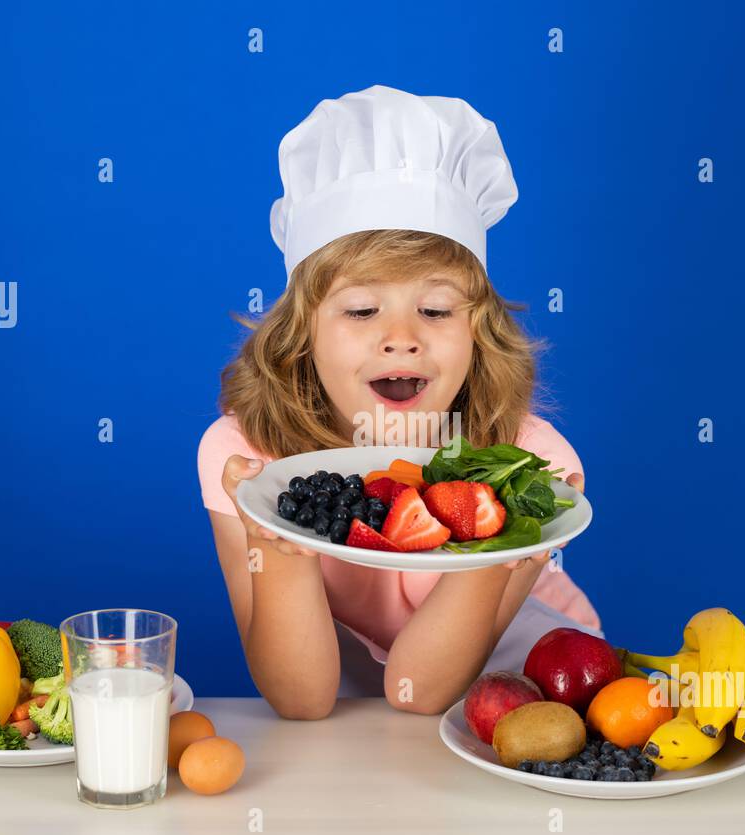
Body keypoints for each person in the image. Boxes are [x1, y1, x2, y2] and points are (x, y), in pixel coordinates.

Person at [197, 85, 602, 719]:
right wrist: (274, 540)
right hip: (356, 692)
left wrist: (499, 524)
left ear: (478, 331)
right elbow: (301, 699)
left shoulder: (529, 463)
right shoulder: (245, 457)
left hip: (528, 674)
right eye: (361, 309)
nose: (402, 339)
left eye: (436, 310)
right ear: (300, 331)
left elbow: (422, 692)